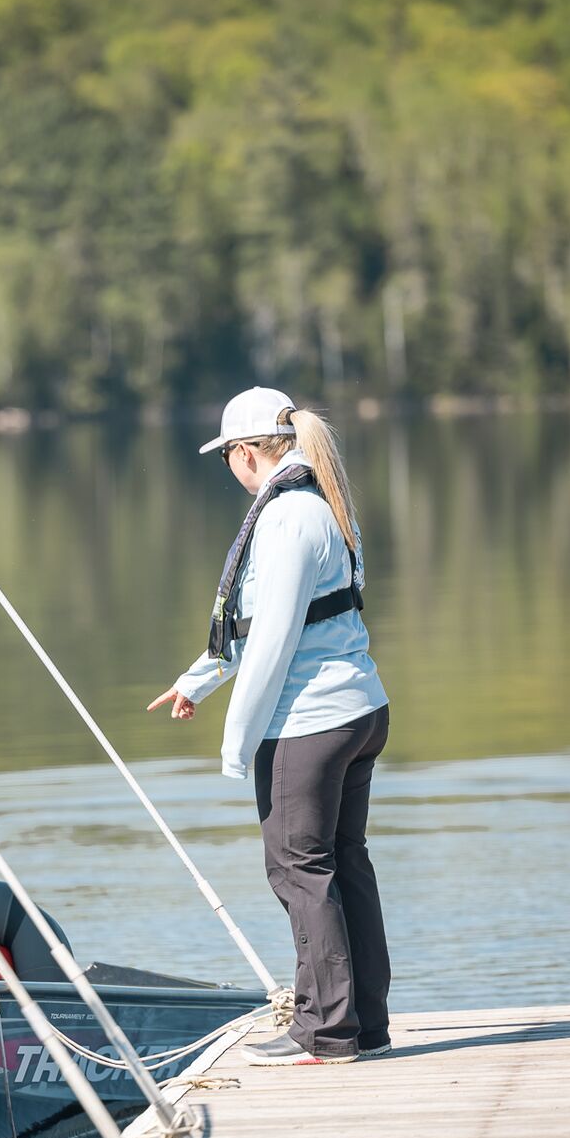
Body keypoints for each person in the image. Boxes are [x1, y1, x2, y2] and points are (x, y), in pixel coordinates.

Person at [148, 387, 392, 1066]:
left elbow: (275, 639)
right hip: (358, 707)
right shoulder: (326, 506)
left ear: (245, 452)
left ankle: (325, 1031)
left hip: (310, 723)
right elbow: (273, 622)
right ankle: (365, 1024)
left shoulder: (285, 519)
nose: (228, 465)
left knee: (298, 869)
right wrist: (197, 679)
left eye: (227, 454)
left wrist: (236, 744)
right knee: (345, 864)